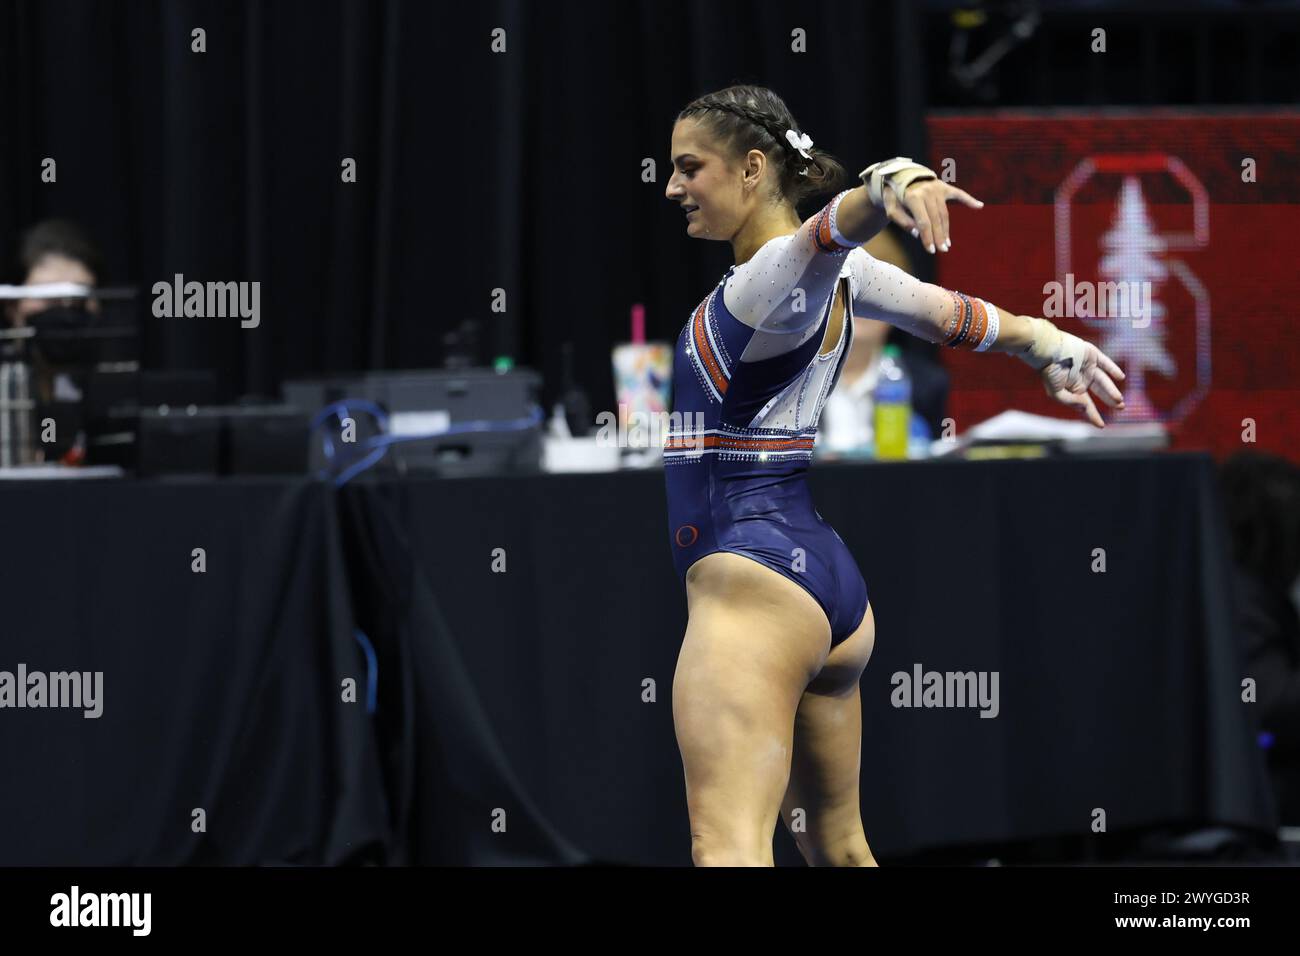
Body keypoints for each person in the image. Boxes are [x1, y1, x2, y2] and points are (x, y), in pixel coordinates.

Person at [662, 84, 1126, 867]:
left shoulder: (776, 272)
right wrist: (1049, 343)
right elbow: (959, 317)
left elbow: (833, 228)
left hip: (752, 588)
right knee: (843, 850)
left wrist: (891, 181)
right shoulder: (846, 279)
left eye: (688, 167)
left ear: (750, 169)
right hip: (830, 591)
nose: (672, 186)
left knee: (729, 848)